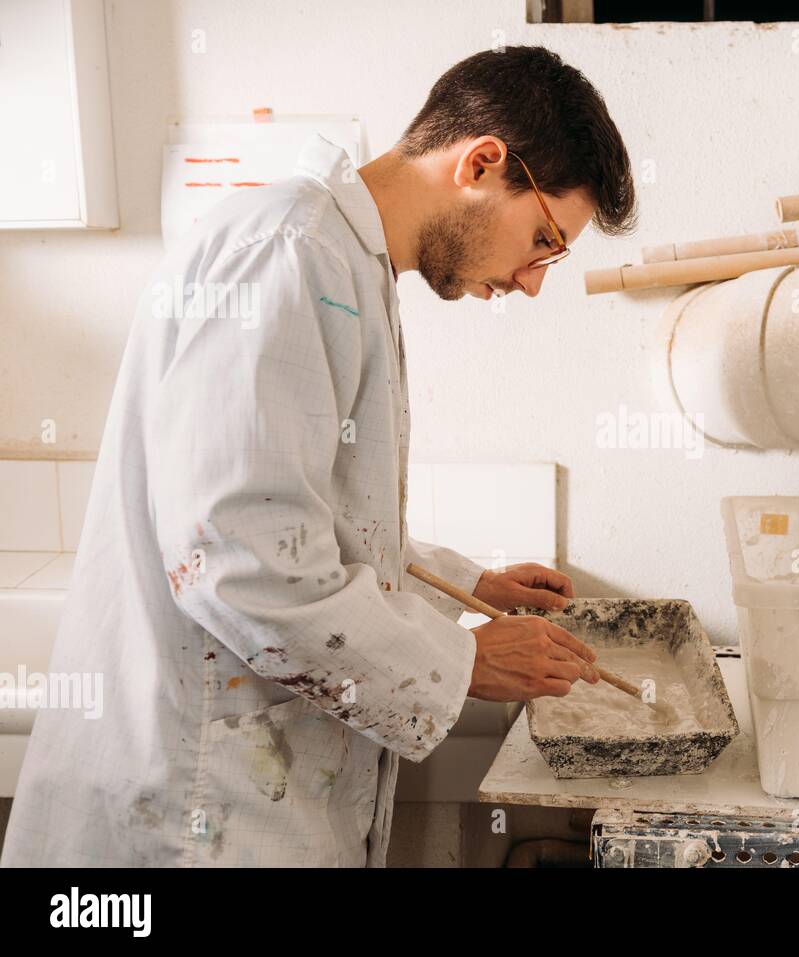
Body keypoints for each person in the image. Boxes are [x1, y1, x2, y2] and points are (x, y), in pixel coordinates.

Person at [1, 45, 637, 867]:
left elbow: (306, 517)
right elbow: (240, 559)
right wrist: (464, 658)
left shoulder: (342, 263)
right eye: (543, 239)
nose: (532, 280)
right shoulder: (288, 254)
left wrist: (465, 586)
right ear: (481, 163)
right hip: (192, 815)